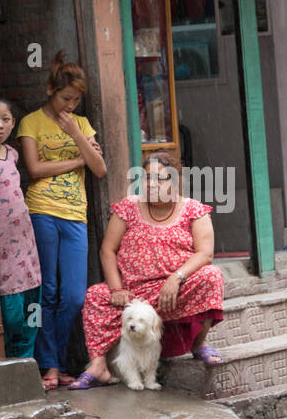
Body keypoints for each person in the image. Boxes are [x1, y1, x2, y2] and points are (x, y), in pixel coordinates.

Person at [68, 151, 225, 389]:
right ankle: (98, 365)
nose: (151, 184)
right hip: (133, 294)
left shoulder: (194, 210)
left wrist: (176, 277)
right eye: (147, 178)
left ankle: (199, 344)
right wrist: (116, 288)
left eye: (160, 179)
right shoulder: (129, 207)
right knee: (95, 296)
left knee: (211, 276)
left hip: (174, 290)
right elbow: (107, 250)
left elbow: (205, 253)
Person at [16, 52, 106, 391]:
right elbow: (35, 170)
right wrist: (78, 159)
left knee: (74, 296)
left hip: (74, 216)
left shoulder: (81, 124)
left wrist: (78, 136)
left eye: (77, 100)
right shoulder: (30, 123)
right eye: (66, 98)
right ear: (50, 91)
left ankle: (57, 361)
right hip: (41, 211)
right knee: (48, 293)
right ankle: (50, 367)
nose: (71, 104)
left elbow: (100, 169)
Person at [0, 98, 42, 359]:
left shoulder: (13, 153)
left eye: (5, 120)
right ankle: (9, 361)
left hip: (24, 238)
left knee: (32, 301)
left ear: (13, 123)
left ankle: (27, 361)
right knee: (11, 311)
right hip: (1, 241)